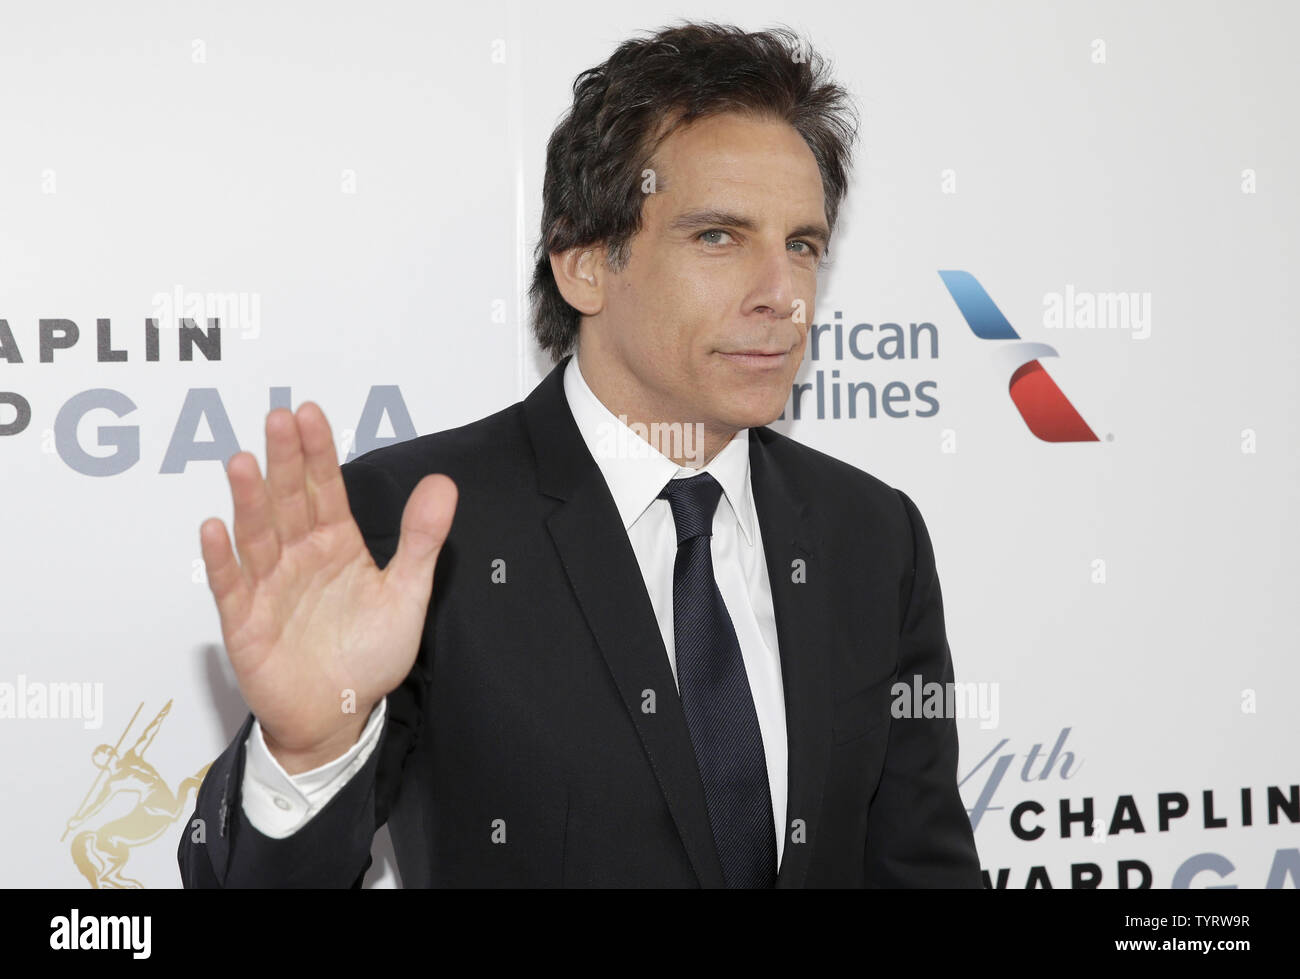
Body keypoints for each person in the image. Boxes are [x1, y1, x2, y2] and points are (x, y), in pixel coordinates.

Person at [178, 20, 982, 888]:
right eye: (718, 236)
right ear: (584, 264)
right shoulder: (417, 523)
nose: (783, 296)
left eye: (802, 244)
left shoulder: (871, 533)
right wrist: (309, 749)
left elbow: (923, 867)